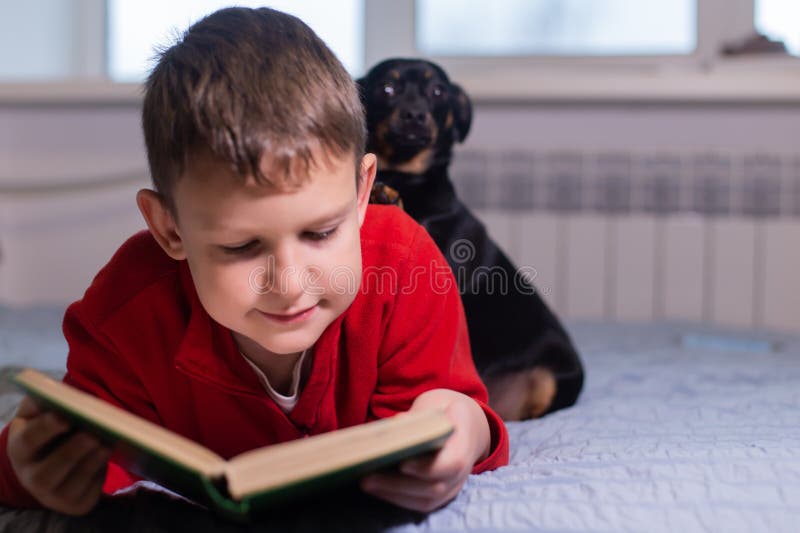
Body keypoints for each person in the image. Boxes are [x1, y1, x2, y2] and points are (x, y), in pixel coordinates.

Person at [0, 7, 508, 517]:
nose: (288, 284)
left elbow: (461, 413)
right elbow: (63, 451)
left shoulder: (403, 262)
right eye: (241, 247)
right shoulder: (124, 311)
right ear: (169, 228)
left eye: (321, 232)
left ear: (361, 193)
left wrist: (465, 430)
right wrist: (33, 471)